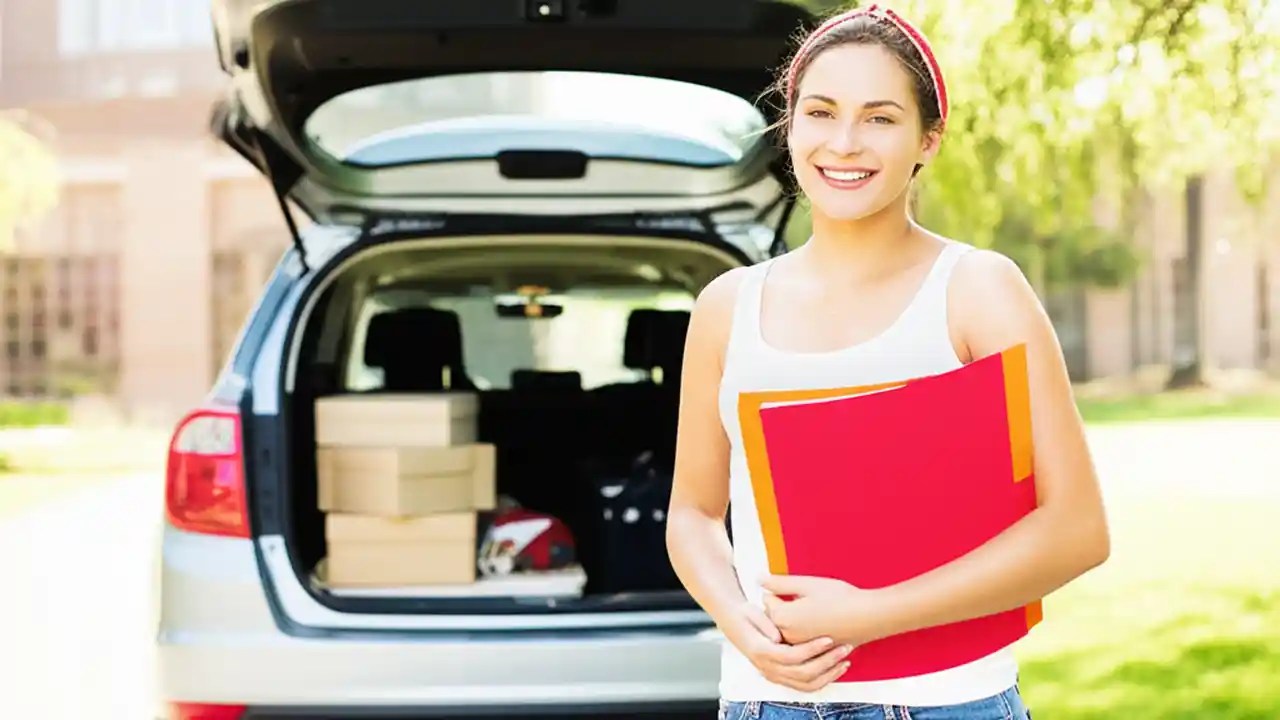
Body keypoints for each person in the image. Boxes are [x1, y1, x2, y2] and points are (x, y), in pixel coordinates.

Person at [665, 4, 1111, 719]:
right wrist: (740, 620)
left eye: (879, 117)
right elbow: (692, 512)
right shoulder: (727, 306)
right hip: (764, 705)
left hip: (947, 703)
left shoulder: (977, 291)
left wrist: (872, 614)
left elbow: (1077, 530)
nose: (844, 143)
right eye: (820, 112)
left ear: (928, 139)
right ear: (790, 124)